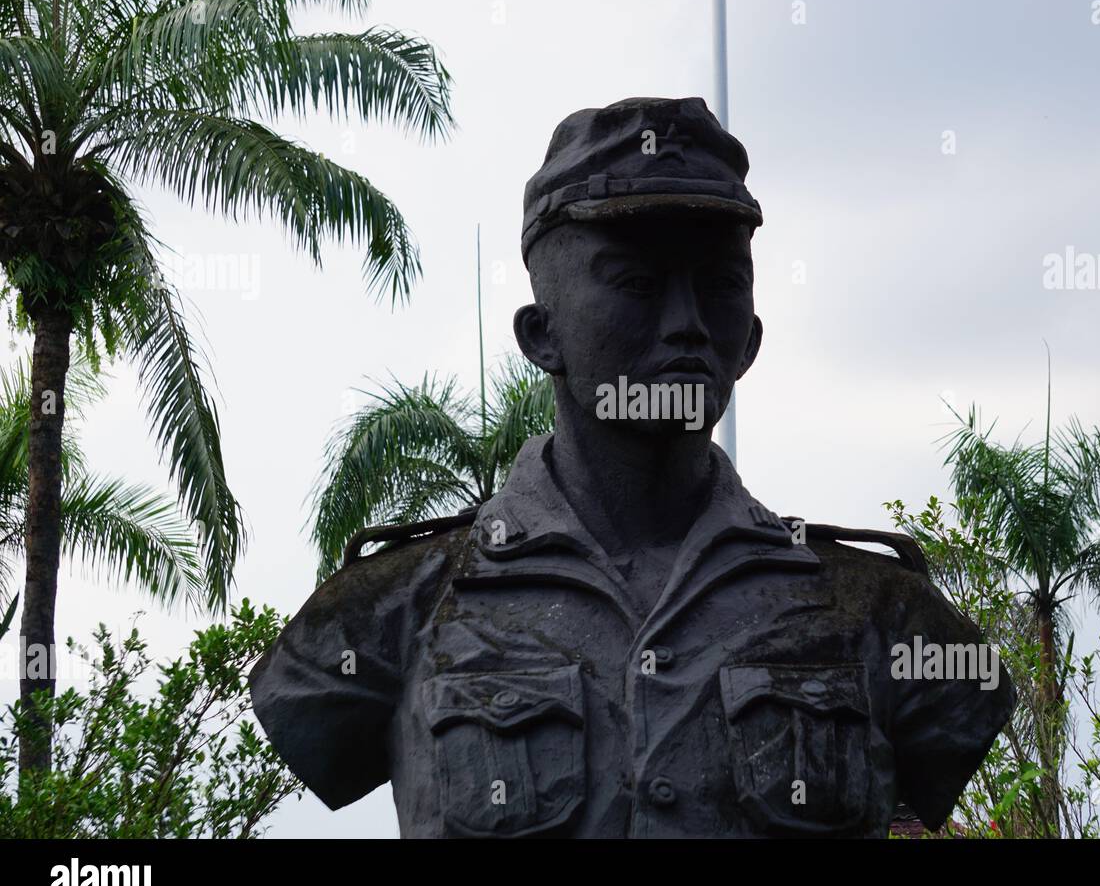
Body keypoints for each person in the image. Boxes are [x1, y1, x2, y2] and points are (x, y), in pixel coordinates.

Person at [250, 97, 1015, 837]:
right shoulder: (391, 613)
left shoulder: (880, 614)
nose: (686, 324)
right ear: (540, 336)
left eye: (719, 286)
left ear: (749, 338)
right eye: (637, 285)